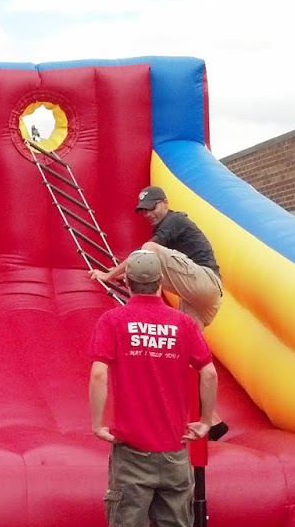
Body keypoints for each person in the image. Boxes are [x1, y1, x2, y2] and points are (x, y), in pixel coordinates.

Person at [86, 250, 218, 527]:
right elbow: (208, 373)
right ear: (161, 284)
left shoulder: (114, 321)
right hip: (173, 449)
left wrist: (98, 423)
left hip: (133, 448)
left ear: (128, 283)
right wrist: (205, 422)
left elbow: (98, 372)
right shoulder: (182, 323)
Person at [87, 185, 227, 440]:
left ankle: (140, 290)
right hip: (197, 298)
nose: (148, 214)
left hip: (206, 283)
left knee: (148, 252)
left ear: (165, 203)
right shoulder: (167, 227)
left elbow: (146, 254)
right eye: (144, 211)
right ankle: (214, 422)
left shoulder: (174, 221)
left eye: (152, 208)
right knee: (186, 358)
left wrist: (109, 274)